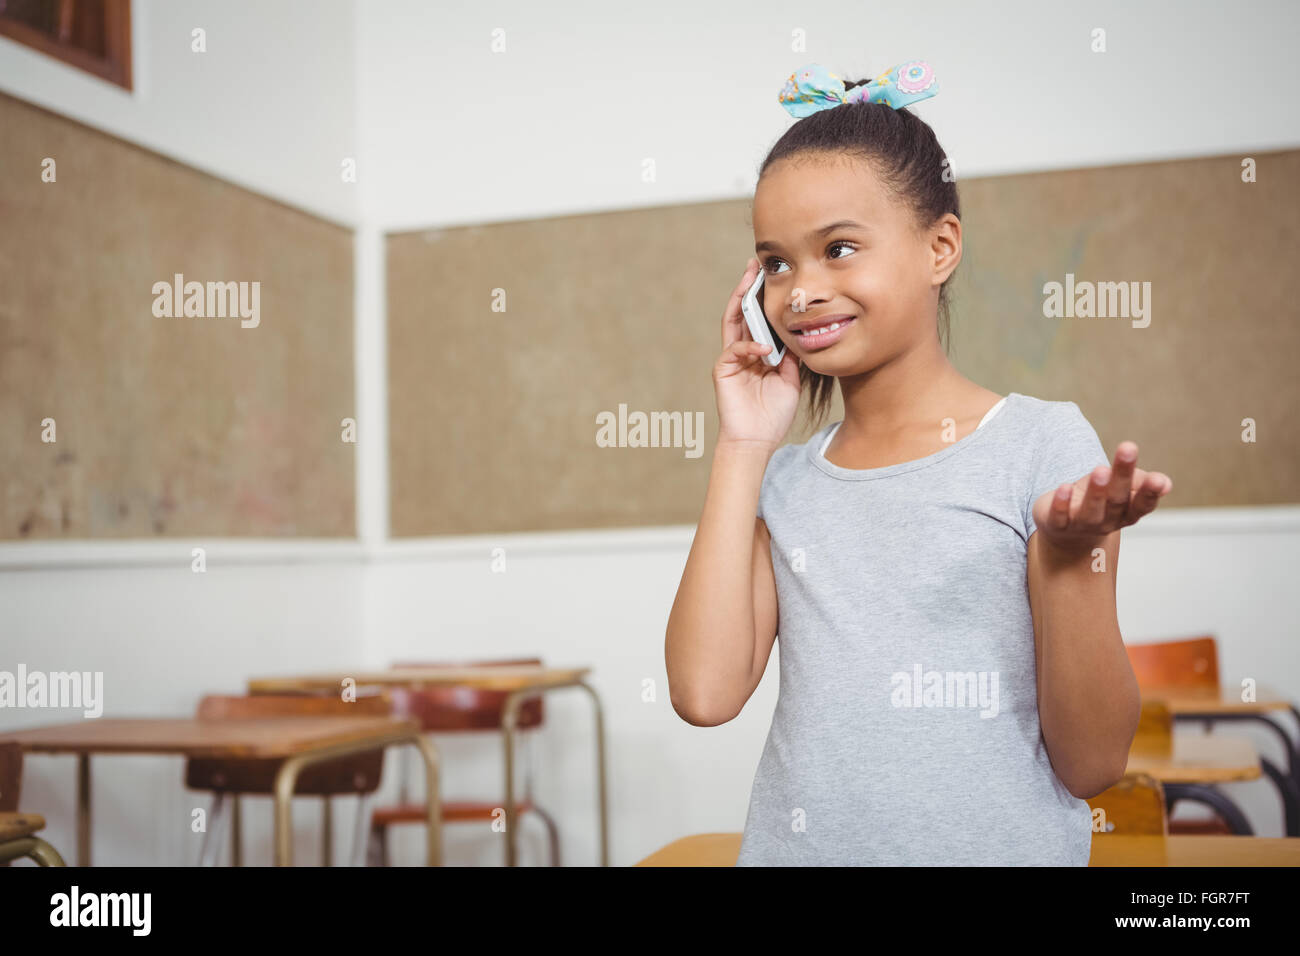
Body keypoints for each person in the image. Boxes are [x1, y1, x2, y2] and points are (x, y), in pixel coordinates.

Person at [664, 62, 1174, 865]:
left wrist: (1069, 558)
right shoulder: (784, 481)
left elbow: (1094, 765)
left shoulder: (1043, 447)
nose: (799, 293)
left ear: (940, 247)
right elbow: (704, 693)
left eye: (838, 249)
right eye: (775, 264)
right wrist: (742, 445)